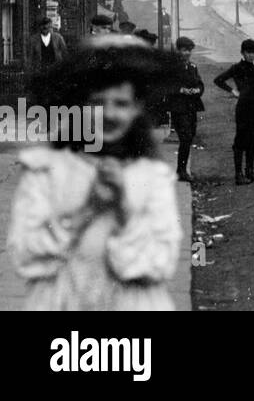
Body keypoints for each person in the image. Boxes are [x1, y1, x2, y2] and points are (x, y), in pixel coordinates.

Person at [5, 37, 184, 309]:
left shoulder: (152, 177)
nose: (109, 114)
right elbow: (26, 256)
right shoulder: (47, 171)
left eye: (121, 104)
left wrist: (123, 206)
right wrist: (88, 209)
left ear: (137, 108)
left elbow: (159, 264)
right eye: (98, 104)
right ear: (80, 106)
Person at [213, 39, 254, 185]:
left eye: (253, 52)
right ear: (242, 53)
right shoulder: (237, 67)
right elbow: (218, 80)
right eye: (248, 53)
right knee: (241, 140)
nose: (251, 55)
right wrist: (233, 91)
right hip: (244, 108)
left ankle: (250, 170)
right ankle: (239, 175)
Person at [168, 37, 205, 182]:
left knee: (189, 137)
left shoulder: (192, 67)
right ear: (178, 51)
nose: (187, 53)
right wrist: (181, 90)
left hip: (191, 107)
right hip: (178, 107)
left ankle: (181, 170)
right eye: (184, 50)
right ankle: (181, 171)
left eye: (189, 50)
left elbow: (200, 84)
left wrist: (196, 90)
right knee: (186, 137)